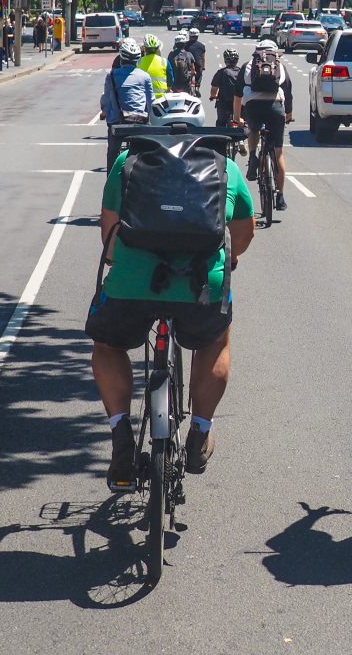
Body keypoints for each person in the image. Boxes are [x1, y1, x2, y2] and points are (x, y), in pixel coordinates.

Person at [90, 138, 256, 486]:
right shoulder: (224, 165)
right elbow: (243, 231)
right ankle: (199, 432)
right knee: (214, 341)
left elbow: (109, 235)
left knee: (107, 345)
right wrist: (232, 259)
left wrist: (121, 264)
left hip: (134, 282)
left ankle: (121, 433)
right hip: (200, 284)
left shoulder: (126, 161)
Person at [235, 38, 294, 211]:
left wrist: (238, 117)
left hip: (253, 107)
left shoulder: (248, 65)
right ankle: (281, 197)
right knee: (278, 153)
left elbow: (238, 95)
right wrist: (288, 113)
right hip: (276, 107)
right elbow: (288, 92)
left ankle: (253, 156)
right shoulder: (281, 67)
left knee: (254, 130)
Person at [99, 38, 154, 170]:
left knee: (112, 152)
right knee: (147, 152)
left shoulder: (112, 75)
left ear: (121, 58)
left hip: (118, 122)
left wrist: (104, 112)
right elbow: (150, 101)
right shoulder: (145, 76)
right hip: (140, 121)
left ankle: (110, 182)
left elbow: (107, 99)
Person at [208, 48, 244, 130]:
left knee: (221, 123)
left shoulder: (221, 72)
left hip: (224, 103)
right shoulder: (242, 72)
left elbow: (214, 89)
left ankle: (219, 140)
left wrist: (213, 96)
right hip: (240, 103)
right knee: (243, 120)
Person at [167, 31, 198, 95]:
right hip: (185, 83)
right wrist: (193, 72)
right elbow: (192, 68)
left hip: (174, 83)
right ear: (185, 44)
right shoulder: (189, 54)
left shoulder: (171, 54)